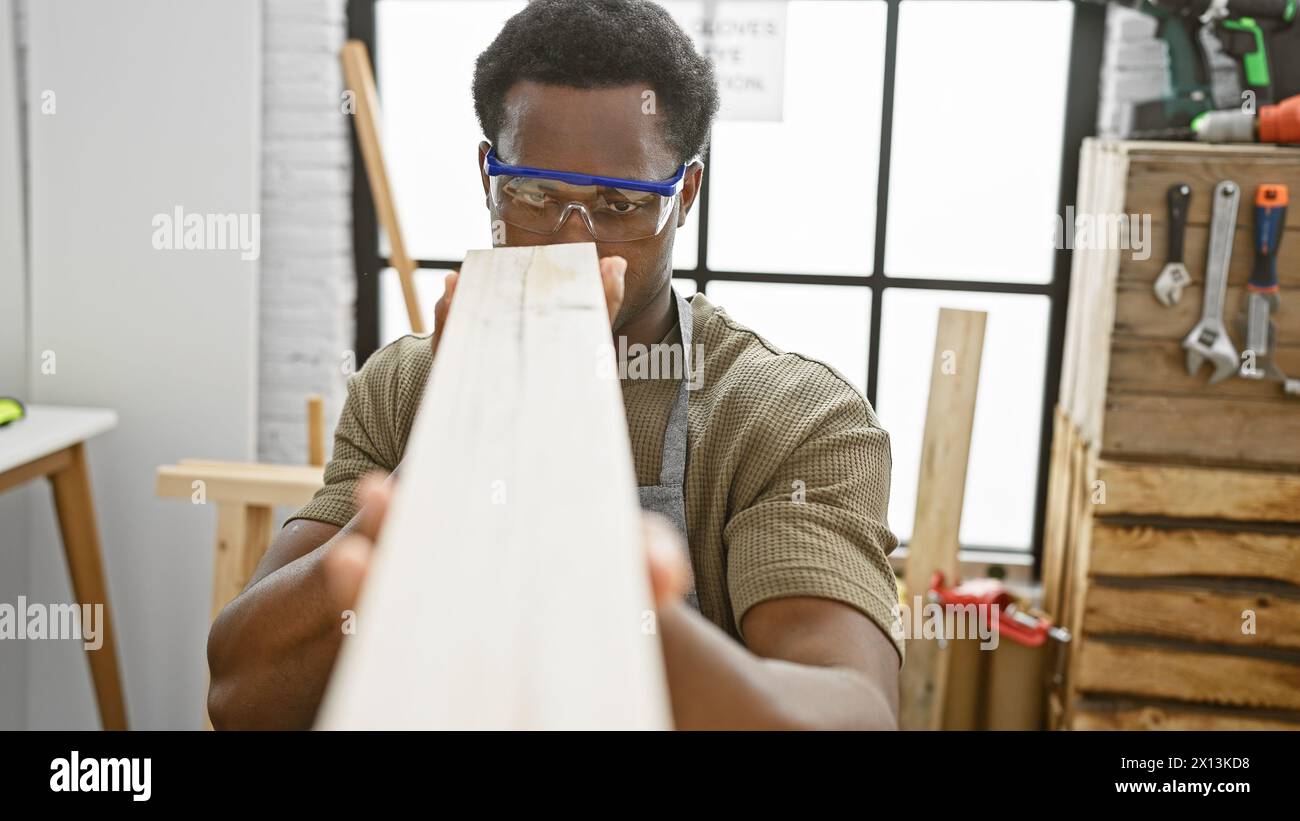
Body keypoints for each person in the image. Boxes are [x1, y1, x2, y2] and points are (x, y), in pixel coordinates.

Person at [207, 0, 902, 730]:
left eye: (621, 202)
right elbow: (237, 695)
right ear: (488, 177)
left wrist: (617, 598)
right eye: (534, 193)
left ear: (685, 195)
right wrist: (445, 463)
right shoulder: (408, 386)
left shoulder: (788, 416)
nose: (574, 239)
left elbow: (853, 713)